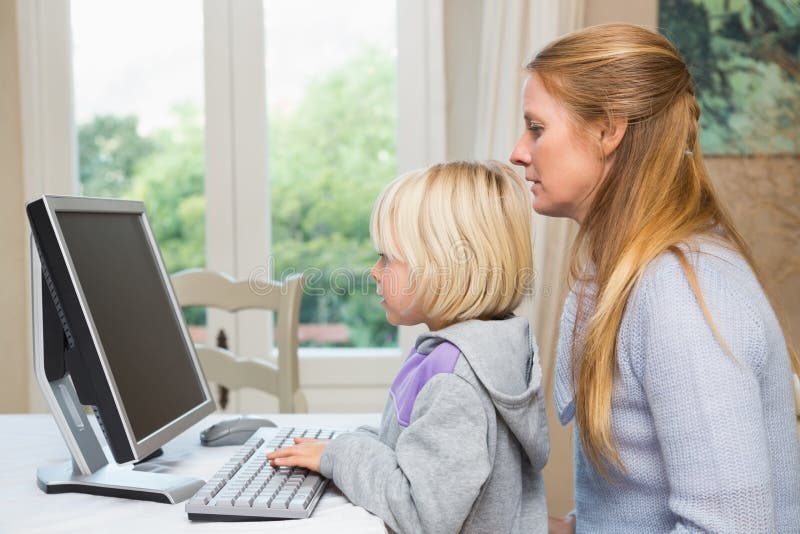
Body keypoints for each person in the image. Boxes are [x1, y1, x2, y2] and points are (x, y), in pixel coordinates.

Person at [509, 23, 800, 533]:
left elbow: (733, 527)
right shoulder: (628, 273)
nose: (519, 151)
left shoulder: (680, 293)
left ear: (608, 130)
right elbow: (633, 515)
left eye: (536, 128)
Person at [267, 160, 550, 533]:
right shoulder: (484, 349)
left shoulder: (456, 380)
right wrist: (340, 448)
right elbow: (406, 450)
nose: (375, 270)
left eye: (387, 257)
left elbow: (421, 515)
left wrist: (340, 455)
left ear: (443, 266)